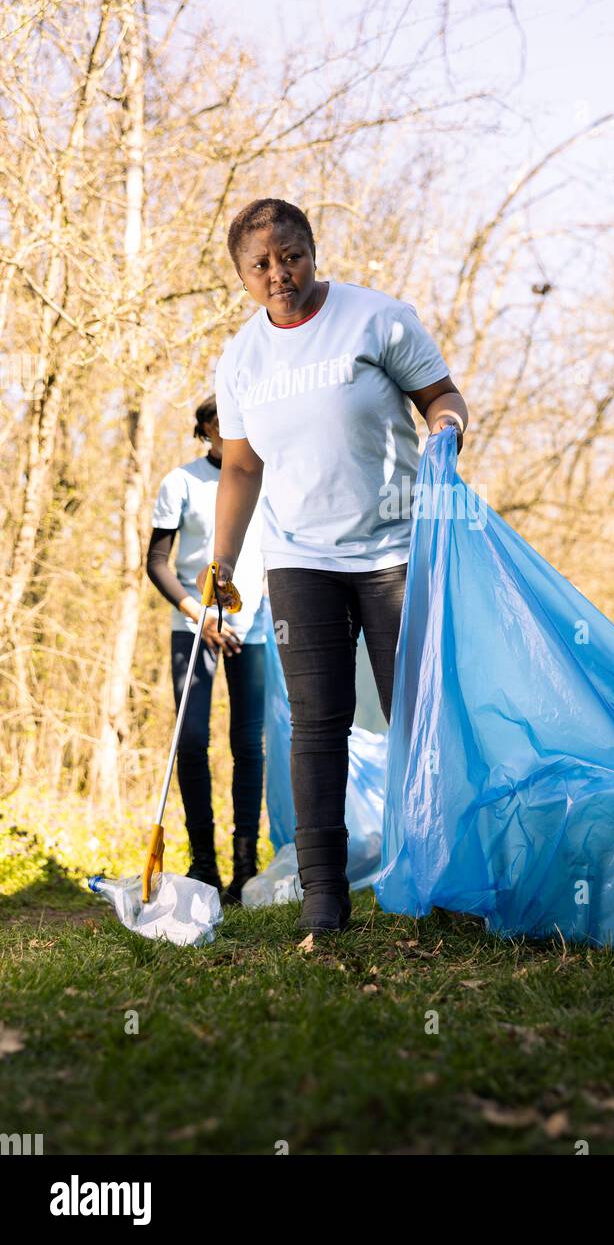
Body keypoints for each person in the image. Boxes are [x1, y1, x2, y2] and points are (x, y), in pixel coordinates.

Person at [199, 197, 469, 934]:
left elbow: (441, 398)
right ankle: (324, 897)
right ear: (242, 276)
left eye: (290, 256)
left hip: (395, 551)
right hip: (298, 558)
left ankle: (444, 882)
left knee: (417, 715)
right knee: (319, 722)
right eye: (261, 265)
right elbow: (242, 469)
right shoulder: (241, 359)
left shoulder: (377, 318)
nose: (279, 274)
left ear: (312, 251)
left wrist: (446, 432)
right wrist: (223, 563)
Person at [147, 396, 269, 902]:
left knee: (247, 745)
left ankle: (245, 867)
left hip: (252, 627)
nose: (228, 428)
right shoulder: (181, 481)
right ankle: (204, 865)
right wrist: (197, 613)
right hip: (193, 626)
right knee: (192, 740)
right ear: (204, 429)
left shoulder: (266, 477)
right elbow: (156, 561)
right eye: (218, 421)